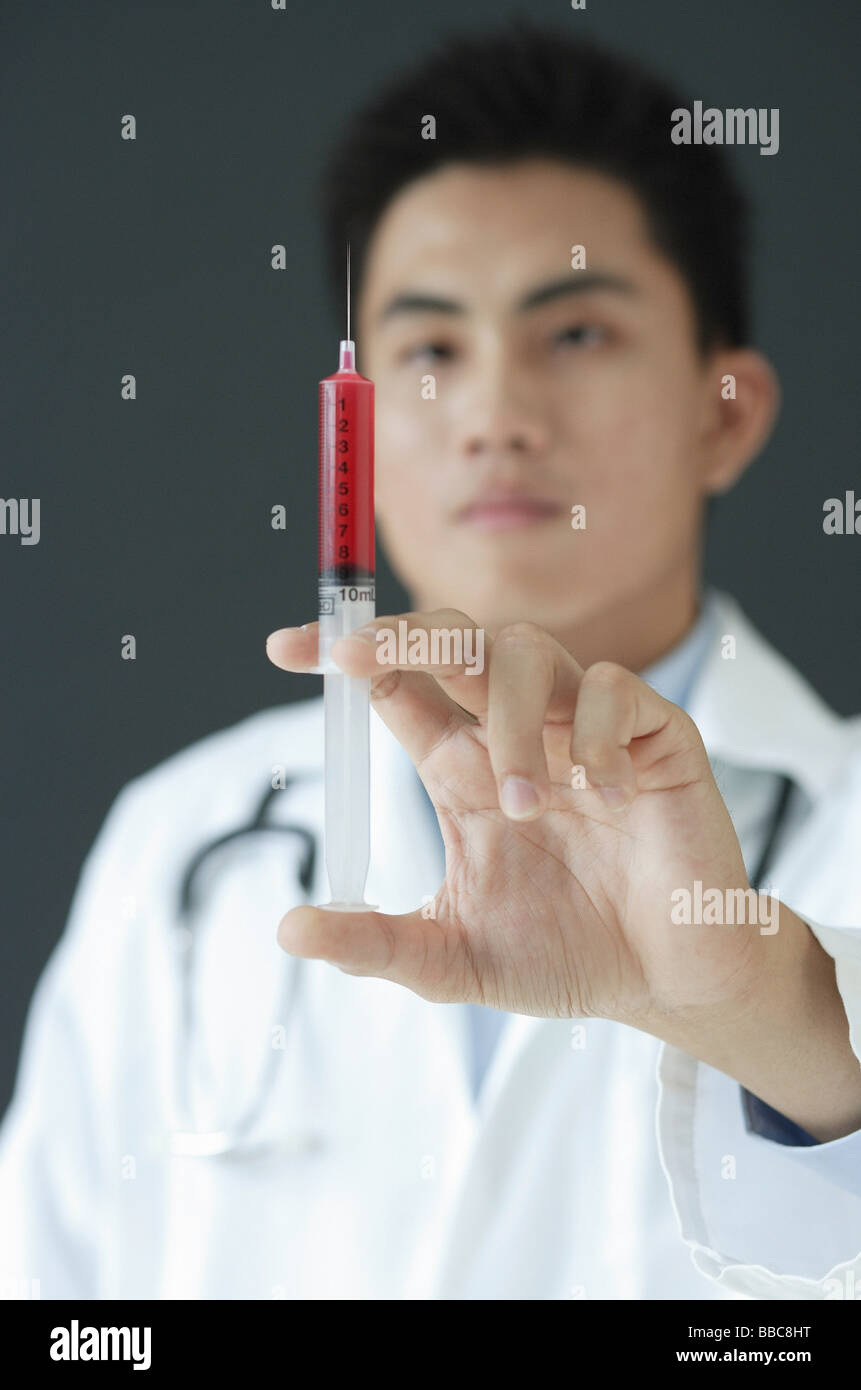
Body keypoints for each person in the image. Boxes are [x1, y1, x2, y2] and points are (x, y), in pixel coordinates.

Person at [2, 21, 860, 1302]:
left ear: (721, 414)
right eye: (429, 349)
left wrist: (807, 1074)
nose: (496, 415)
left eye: (576, 334)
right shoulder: (179, 843)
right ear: (358, 440)